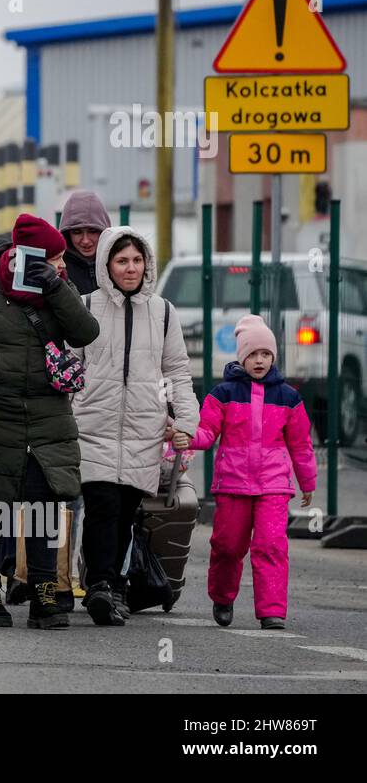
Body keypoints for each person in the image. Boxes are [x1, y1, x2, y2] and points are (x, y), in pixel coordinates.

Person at [0, 213, 99, 629]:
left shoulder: (57, 288)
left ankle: (45, 595)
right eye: (54, 258)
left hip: (47, 417)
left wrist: (55, 285)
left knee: (46, 505)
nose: (62, 265)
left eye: (61, 260)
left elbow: (85, 332)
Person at [72, 228, 199, 625]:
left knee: (127, 511)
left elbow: (177, 370)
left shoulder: (163, 312)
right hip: (93, 424)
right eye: (122, 260)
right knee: (101, 506)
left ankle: (114, 585)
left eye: (137, 260)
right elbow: (67, 364)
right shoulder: (86, 305)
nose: (130, 268)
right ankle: (101, 586)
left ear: (147, 264)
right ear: (106, 265)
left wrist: (186, 420)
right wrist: (73, 407)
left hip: (143, 429)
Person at [188, 315, 316, 630]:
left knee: (271, 545)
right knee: (228, 545)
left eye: (265, 354)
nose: (259, 361)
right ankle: (222, 596)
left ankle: (272, 611)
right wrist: (185, 436)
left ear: (273, 357)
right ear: (242, 357)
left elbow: (301, 445)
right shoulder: (223, 394)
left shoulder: (288, 397)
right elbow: (206, 432)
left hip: (273, 485)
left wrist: (307, 482)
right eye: (252, 355)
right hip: (232, 483)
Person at [58, 190, 111, 296]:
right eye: (77, 232)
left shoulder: (118, 263)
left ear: (104, 231)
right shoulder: (57, 269)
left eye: (92, 231)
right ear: (67, 234)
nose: (85, 240)